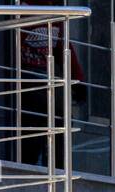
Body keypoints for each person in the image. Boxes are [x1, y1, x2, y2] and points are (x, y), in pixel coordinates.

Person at [17, 3, 85, 169]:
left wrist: (78, 81)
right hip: (25, 77)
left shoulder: (56, 16)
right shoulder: (20, 11)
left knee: (58, 120)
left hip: (46, 80)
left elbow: (65, 49)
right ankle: (29, 165)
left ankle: (59, 168)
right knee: (32, 129)